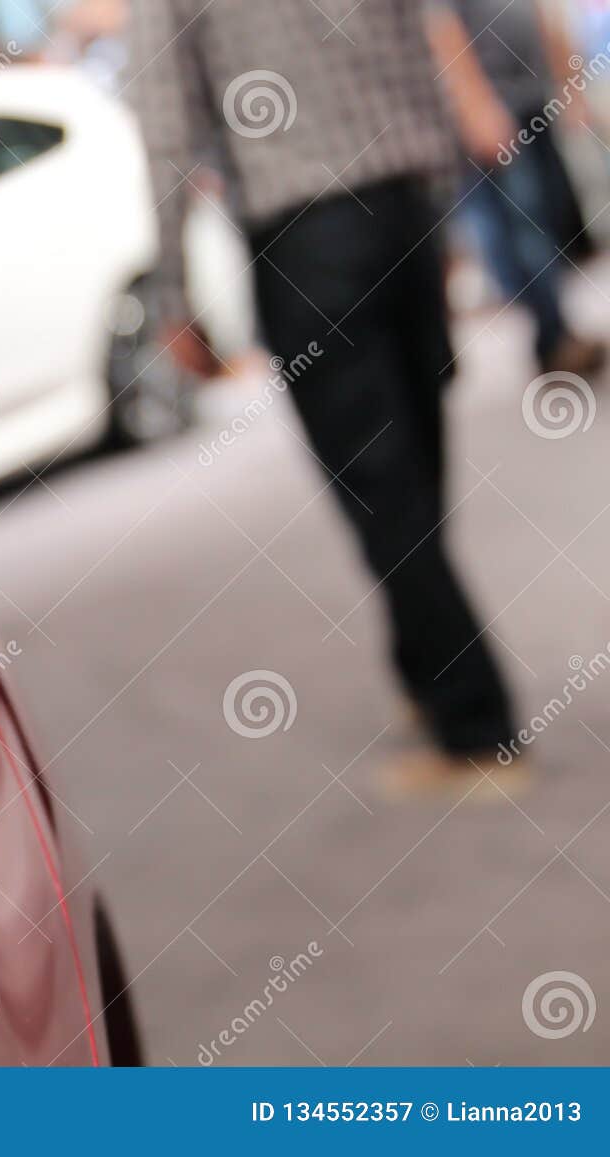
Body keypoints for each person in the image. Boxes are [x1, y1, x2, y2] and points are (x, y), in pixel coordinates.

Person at [127, 0, 521, 794]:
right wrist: (437, 203)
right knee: (413, 473)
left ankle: (477, 731)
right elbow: (421, 41)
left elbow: (168, 126)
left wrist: (170, 290)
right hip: (403, 213)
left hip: (308, 240)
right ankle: (425, 670)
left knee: (386, 495)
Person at [427, 0, 605, 374]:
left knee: (544, 215)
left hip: (531, 96)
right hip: (493, 107)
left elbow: (542, 13)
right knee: (524, 222)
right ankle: (552, 336)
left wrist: (569, 83)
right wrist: (476, 107)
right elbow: (440, 26)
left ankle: (556, 328)